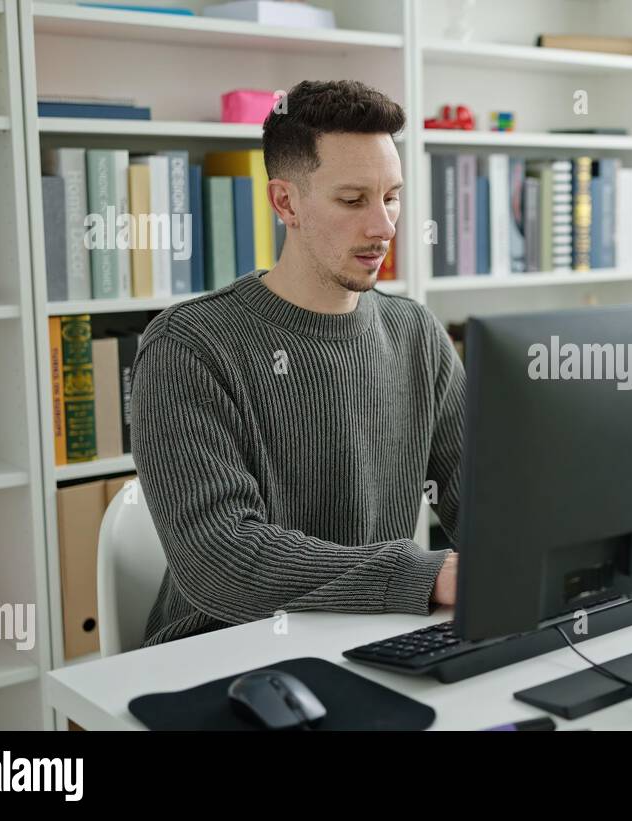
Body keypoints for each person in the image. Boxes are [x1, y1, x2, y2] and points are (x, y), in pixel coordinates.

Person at [131, 80, 460, 646]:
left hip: (369, 635)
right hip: (222, 652)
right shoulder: (188, 346)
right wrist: (423, 574)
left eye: (392, 196)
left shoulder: (416, 333)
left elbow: (479, 494)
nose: (383, 226)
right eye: (353, 200)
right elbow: (222, 559)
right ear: (285, 202)